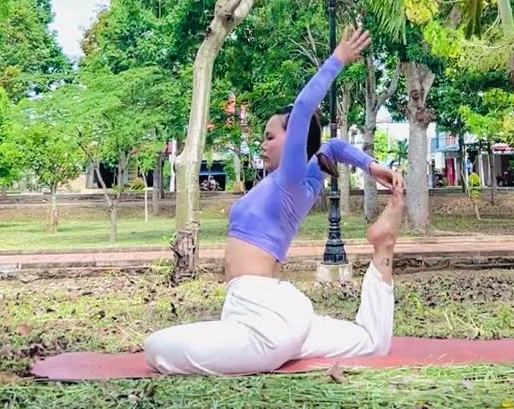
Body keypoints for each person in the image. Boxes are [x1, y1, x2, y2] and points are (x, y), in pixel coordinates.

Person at [144, 27, 406, 375]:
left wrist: (338, 59)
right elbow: (334, 148)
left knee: (156, 349)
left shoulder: (291, 179)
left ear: (292, 141)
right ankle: (383, 247)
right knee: (372, 342)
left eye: (270, 137)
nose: (263, 144)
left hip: (266, 315)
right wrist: (373, 167)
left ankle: (277, 348)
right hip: (269, 310)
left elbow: (302, 110)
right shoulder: (303, 178)